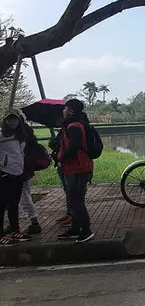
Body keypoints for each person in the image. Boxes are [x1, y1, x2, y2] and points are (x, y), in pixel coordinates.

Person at [56, 99, 95, 243]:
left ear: (71, 111)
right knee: (76, 199)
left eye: (65, 109)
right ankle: (75, 228)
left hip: (77, 167)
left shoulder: (74, 126)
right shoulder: (77, 124)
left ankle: (86, 230)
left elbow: (74, 147)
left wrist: (61, 158)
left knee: (76, 199)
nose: (63, 111)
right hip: (79, 166)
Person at [0, 110, 31, 246]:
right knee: (2, 205)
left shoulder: (20, 136)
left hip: (18, 172)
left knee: (14, 204)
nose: (11, 122)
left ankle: (15, 230)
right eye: (9, 119)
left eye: (14, 119)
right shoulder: (1, 135)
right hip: (4, 173)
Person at [18, 121, 43, 235]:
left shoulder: (18, 136)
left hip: (20, 170)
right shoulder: (27, 133)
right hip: (26, 169)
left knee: (23, 196)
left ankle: (34, 222)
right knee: (24, 195)